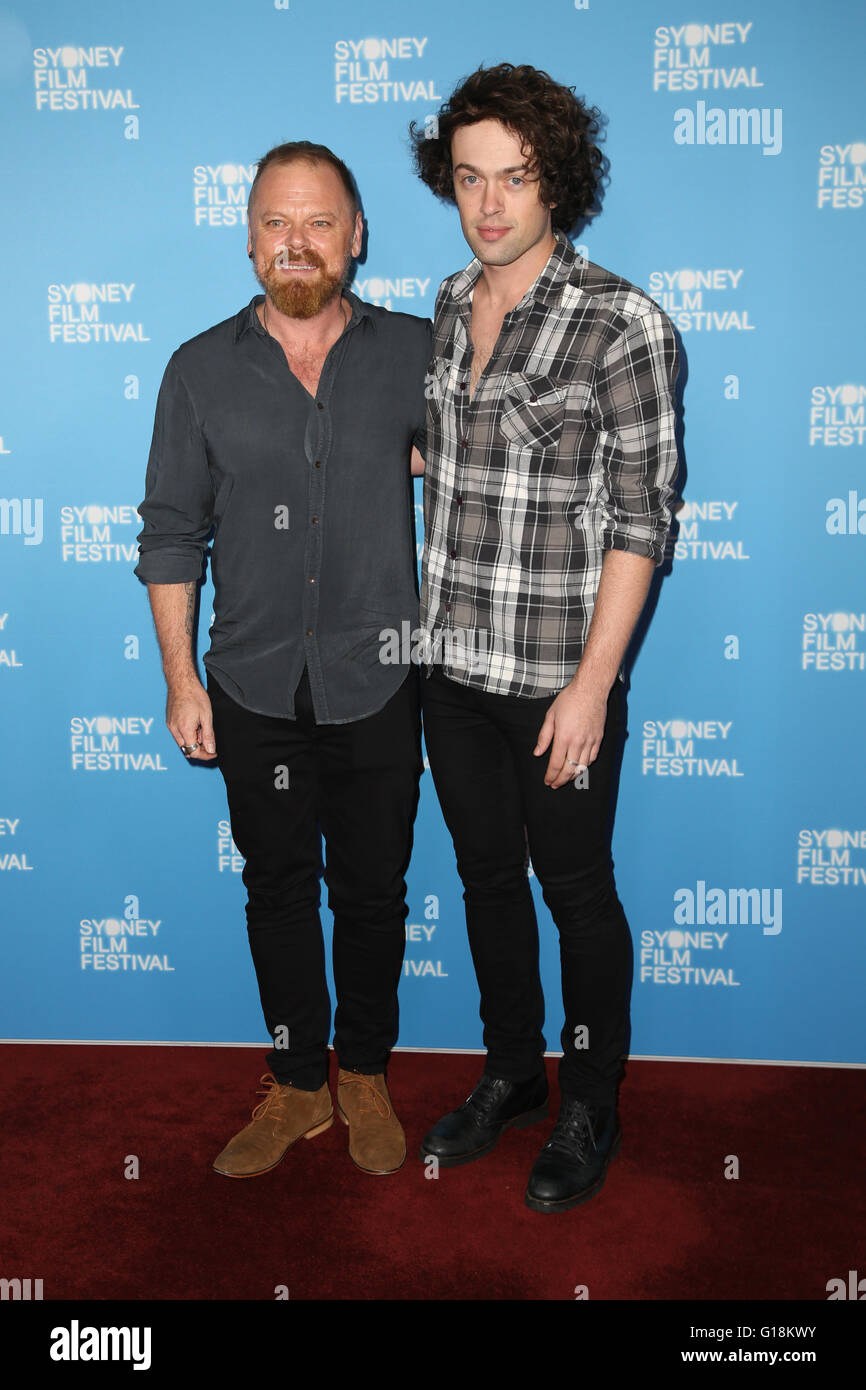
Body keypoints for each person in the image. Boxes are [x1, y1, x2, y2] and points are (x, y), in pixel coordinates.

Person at [409, 65, 680, 1211]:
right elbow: (448, 459)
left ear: (554, 181)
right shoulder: (439, 301)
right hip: (448, 665)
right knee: (481, 882)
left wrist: (590, 687)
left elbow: (640, 520)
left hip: (557, 677)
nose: (487, 203)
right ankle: (513, 1070)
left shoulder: (622, 322)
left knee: (574, 889)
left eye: (512, 178)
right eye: (468, 178)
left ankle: (589, 1097)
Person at [135, 141, 429, 1179]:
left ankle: (362, 1072)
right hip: (252, 682)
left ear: (356, 235)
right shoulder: (199, 369)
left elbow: (484, 475)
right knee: (274, 889)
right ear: (249, 236)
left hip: (381, 674)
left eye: (317, 221)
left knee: (374, 890)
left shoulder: (417, 353)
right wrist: (180, 680)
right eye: (274, 222)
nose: (295, 242)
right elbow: (171, 532)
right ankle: (299, 1082)